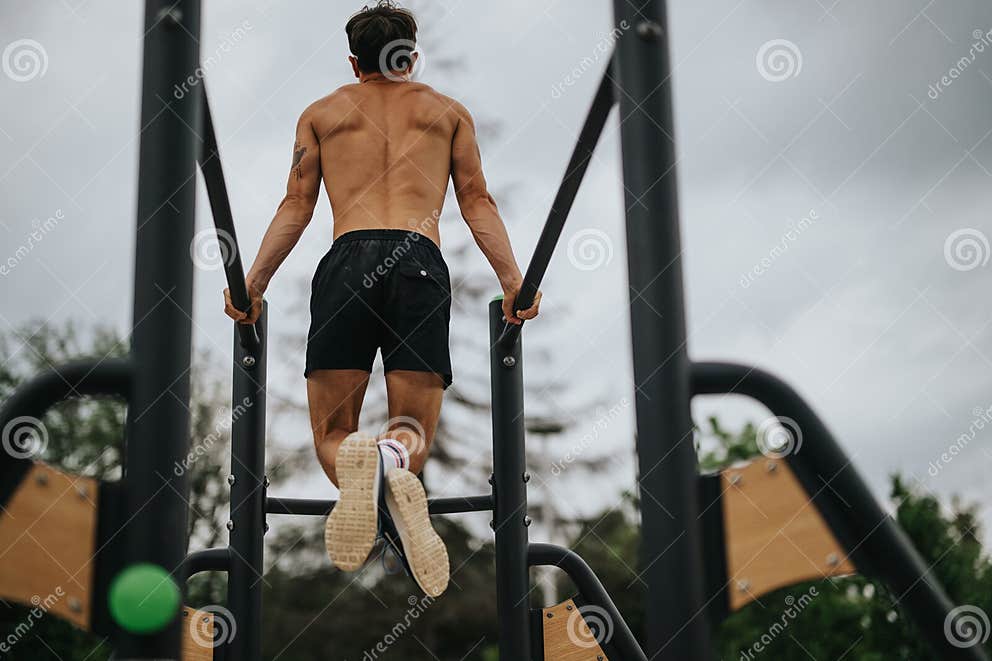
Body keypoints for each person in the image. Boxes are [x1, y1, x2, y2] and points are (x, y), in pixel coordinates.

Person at [224, 1, 541, 597]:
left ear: (353, 61)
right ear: (411, 55)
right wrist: (513, 281)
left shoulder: (321, 114)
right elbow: (476, 201)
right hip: (419, 263)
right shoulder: (447, 113)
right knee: (411, 429)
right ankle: (393, 464)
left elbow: (296, 205)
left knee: (333, 432)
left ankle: (363, 464)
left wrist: (253, 284)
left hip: (347, 261)